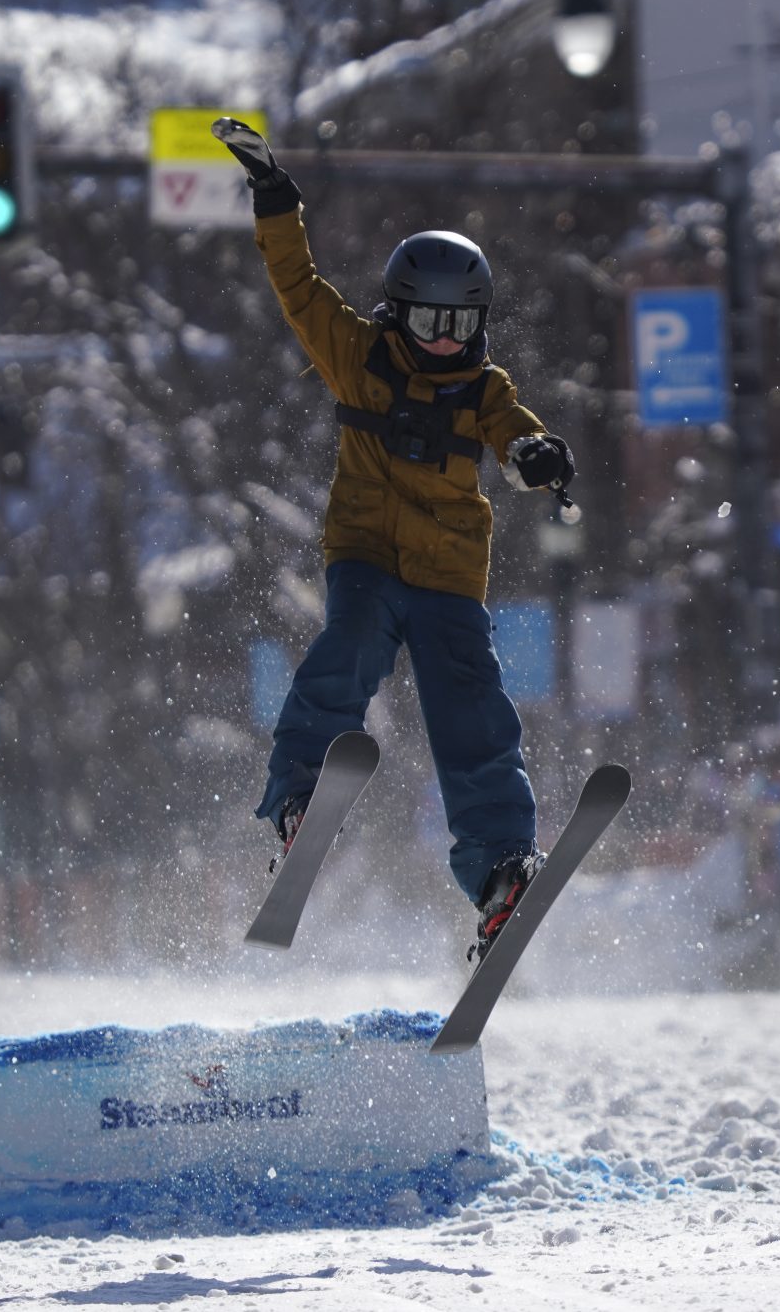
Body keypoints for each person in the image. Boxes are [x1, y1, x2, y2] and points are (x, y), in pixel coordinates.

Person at [213, 117, 576, 961]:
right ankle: (299, 796)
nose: (444, 339)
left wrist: (536, 456)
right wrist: (274, 196)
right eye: (429, 322)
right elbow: (296, 285)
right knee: (345, 652)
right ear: (399, 313)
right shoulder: (358, 357)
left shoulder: (484, 389)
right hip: (370, 559)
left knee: (472, 711)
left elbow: (516, 436)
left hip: (450, 576)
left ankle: (499, 867)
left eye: (460, 323)